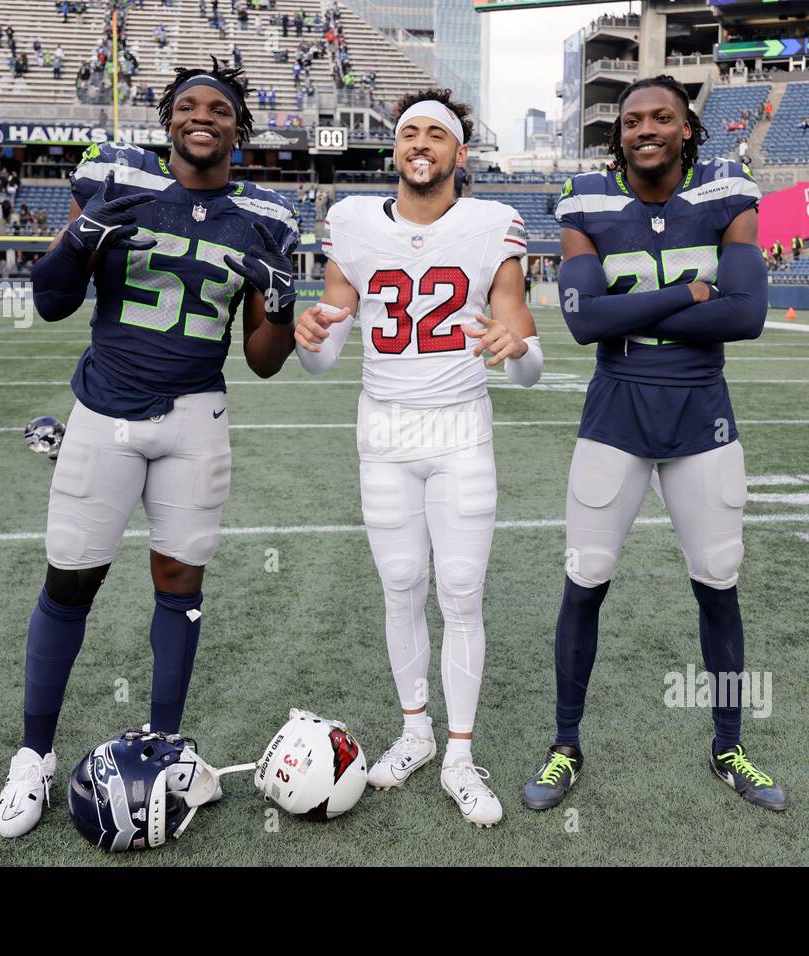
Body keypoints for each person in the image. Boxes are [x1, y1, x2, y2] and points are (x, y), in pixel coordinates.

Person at [0, 59, 301, 839]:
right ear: (168, 122)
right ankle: (33, 755)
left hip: (196, 416)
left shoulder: (266, 217)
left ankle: (166, 745)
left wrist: (286, 301)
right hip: (103, 411)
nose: (203, 118)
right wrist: (85, 231)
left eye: (219, 109)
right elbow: (53, 300)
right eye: (188, 107)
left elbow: (263, 359)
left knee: (179, 582)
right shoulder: (118, 182)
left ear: (238, 126)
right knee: (71, 581)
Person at [522, 75, 784, 814]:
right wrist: (687, 296)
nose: (645, 128)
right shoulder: (588, 199)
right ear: (619, 135)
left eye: (662, 117)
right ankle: (565, 743)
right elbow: (584, 324)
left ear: (687, 130)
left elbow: (747, 315)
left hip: (701, 414)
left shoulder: (726, 189)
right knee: (587, 574)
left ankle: (729, 746)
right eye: (633, 119)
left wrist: (631, 311)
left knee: (719, 577)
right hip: (617, 414)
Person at [293, 89, 541, 828]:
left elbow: (527, 357)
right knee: (401, 583)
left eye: (437, 133)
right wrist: (312, 337)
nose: (421, 143)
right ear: (395, 150)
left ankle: (460, 752)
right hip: (386, 432)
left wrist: (517, 348)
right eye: (410, 133)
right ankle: (415, 730)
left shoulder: (494, 225)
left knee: (460, 590)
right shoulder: (352, 222)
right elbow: (326, 355)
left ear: (460, 154)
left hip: (461, 429)